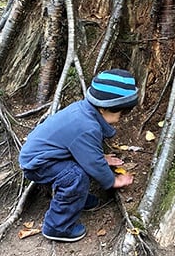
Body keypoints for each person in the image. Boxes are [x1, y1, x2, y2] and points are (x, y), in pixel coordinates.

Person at [18, 69, 138, 242]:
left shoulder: (83, 112)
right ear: (104, 108)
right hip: (38, 164)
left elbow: (82, 149)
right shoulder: (87, 127)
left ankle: (76, 199)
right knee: (75, 176)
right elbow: (92, 161)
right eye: (120, 112)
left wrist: (101, 157)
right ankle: (57, 227)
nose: (122, 118)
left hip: (49, 156)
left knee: (77, 171)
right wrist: (113, 180)